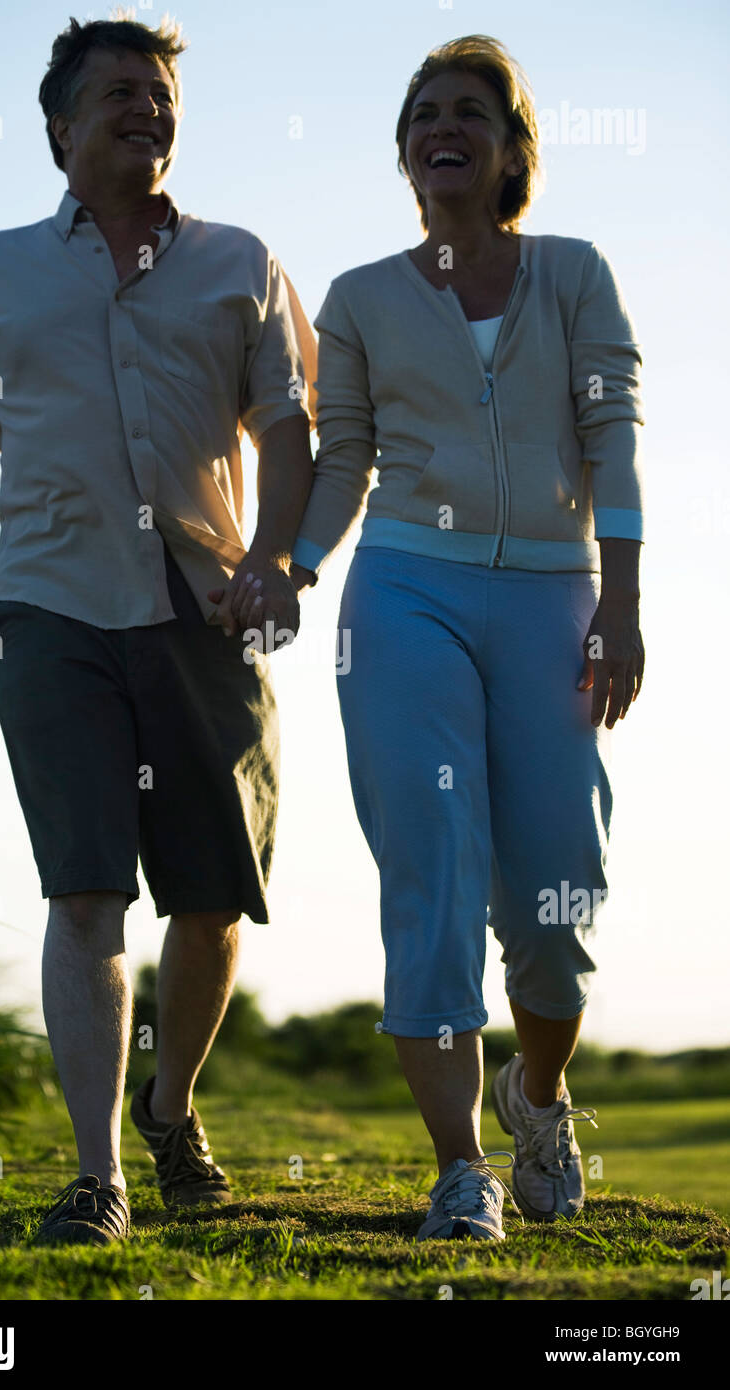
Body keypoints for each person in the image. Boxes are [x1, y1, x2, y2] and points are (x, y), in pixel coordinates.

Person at [0, 15, 316, 1247]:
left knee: (213, 897)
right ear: (61, 129)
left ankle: (169, 1103)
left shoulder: (241, 259)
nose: (148, 107)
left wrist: (278, 557)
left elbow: (290, 431)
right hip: (47, 611)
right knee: (84, 890)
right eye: (120, 93)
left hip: (206, 607)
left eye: (161, 91)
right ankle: (99, 1177)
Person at [288, 34, 644, 1241]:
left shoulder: (575, 273)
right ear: (405, 152)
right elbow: (344, 460)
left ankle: (537, 1098)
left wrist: (626, 603)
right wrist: (290, 566)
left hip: (554, 597)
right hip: (404, 593)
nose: (446, 127)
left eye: (471, 113)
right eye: (425, 113)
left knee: (554, 904)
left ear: (510, 151)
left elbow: (618, 443)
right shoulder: (360, 299)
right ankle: (461, 1172)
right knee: (430, 873)